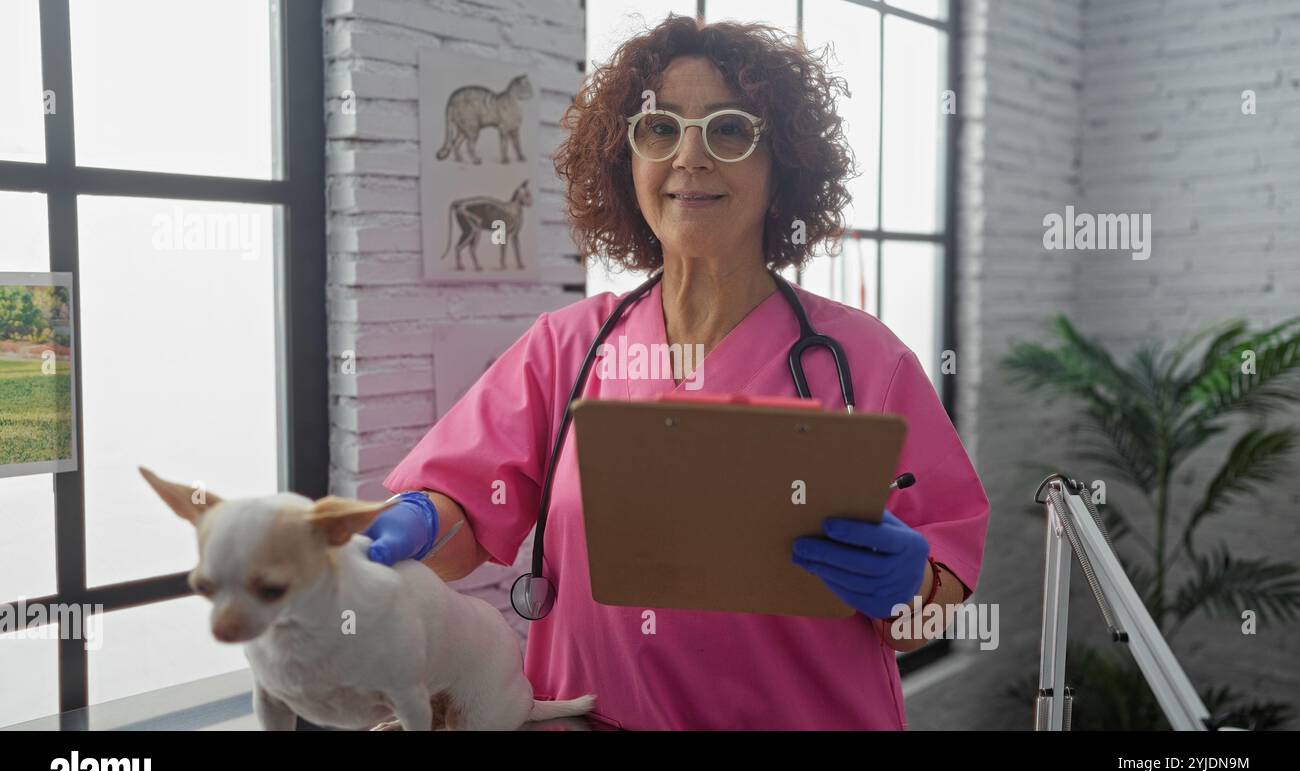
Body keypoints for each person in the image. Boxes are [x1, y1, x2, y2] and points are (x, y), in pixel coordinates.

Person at [365, 15, 990, 730]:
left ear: (780, 162)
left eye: (728, 131)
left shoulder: (867, 365)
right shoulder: (566, 348)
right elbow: (463, 527)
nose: (689, 157)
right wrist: (410, 525)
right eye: (660, 130)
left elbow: (930, 608)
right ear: (627, 162)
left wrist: (912, 583)